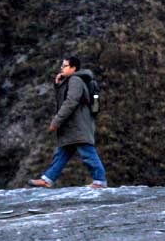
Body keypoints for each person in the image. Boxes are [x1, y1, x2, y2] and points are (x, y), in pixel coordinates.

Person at [29, 57, 108, 189]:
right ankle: (48, 179)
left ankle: (100, 181)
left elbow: (70, 102)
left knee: (87, 152)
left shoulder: (75, 80)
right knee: (62, 152)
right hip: (73, 126)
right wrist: (58, 84)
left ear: (73, 68)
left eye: (65, 66)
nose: (62, 68)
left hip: (78, 125)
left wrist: (56, 121)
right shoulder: (72, 80)